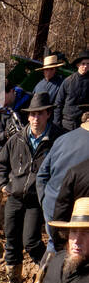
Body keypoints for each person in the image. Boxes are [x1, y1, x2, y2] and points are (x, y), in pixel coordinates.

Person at [0, 91, 64, 283]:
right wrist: (2, 184)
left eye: (40, 114)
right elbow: (1, 162)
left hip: (37, 200)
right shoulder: (17, 139)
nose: (35, 119)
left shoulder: (57, 140)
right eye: (32, 115)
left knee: (32, 241)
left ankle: (50, 273)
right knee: (11, 240)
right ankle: (13, 281)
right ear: (27, 116)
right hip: (15, 196)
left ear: (48, 114)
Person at [37, 108, 89, 252]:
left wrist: (45, 202)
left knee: (55, 248)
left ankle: (46, 271)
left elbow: (41, 175)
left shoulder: (62, 139)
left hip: (53, 208)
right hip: (79, 215)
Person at [0, 81, 26, 237]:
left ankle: (17, 230)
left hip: (21, 156)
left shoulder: (25, 104)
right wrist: (5, 135)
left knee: (19, 193)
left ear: (12, 92)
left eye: (1, 95)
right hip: (1, 156)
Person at [55, 50, 89, 131]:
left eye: (88, 64)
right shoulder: (68, 81)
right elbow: (58, 103)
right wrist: (56, 123)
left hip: (84, 124)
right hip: (67, 124)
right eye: (83, 64)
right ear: (78, 65)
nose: (85, 66)